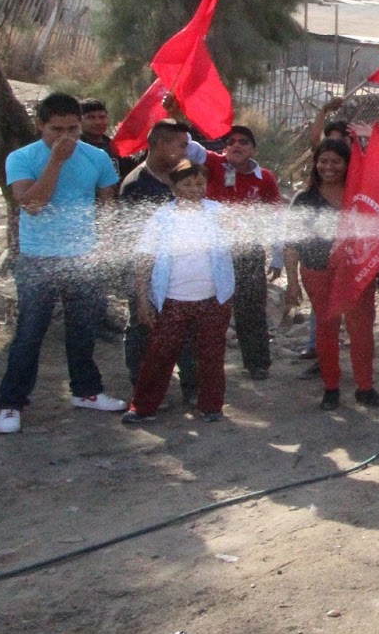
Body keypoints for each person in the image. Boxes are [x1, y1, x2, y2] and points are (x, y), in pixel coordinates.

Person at [0, 93, 127, 433]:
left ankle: (87, 392)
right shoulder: (21, 158)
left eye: (73, 129)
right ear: (40, 125)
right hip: (38, 259)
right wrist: (55, 161)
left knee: (83, 330)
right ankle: (11, 403)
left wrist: (105, 247)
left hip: (83, 257)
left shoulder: (96, 157)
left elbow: (108, 206)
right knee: (29, 333)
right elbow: (33, 204)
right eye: (57, 129)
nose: (66, 137)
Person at [121, 160, 235, 425]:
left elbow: (237, 233)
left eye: (200, 183)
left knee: (211, 355)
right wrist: (143, 300)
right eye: (187, 184)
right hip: (173, 300)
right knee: (159, 354)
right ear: (173, 188)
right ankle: (143, 407)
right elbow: (144, 259)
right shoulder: (162, 218)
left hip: (213, 299)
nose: (195, 189)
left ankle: (211, 406)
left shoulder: (217, 212)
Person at [284, 138, 379, 411]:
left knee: (362, 330)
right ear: (315, 163)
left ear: (347, 164)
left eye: (336, 161)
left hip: (355, 273)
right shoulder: (304, 200)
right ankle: (331, 388)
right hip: (317, 272)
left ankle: (365, 388)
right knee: (326, 330)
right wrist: (292, 282)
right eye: (323, 161)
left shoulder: (359, 196)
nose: (328, 167)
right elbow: (292, 243)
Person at [118, 119, 199, 401]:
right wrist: (142, 291)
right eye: (181, 145)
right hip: (147, 273)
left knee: (187, 331)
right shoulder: (136, 185)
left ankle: (193, 388)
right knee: (144, 327)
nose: (186, 151)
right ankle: (145, 389)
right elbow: (135, 244)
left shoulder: (182, 178)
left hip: (183, 274)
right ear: (161, 145)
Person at [202, 124, 282, 380]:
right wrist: (178, 114)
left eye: (243, 142)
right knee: (211, 308)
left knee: (251, 310)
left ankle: (257, 363)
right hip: (214, 252)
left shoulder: (265, 178)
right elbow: (190, 149)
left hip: (249, 252)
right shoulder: (214, 165)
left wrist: (278, 255)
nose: (236, 145)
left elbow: (276, 218)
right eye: (231, 141)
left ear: (254, 149)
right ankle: (207, 366)